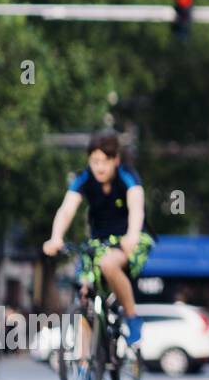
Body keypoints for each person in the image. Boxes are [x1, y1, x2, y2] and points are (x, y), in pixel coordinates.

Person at [42, 130, 155, 347]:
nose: (99, 167)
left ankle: (132, 318)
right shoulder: (84, 179)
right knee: (83, 295)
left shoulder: (127, 176)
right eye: (94, 161)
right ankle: (85, 368)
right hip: (98, 242)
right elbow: (66, 210)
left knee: (108, 264)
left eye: (105, 161)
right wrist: (55, 238)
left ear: (116, 160)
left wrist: (131, 235)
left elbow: (136, 208)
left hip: (130, 239)